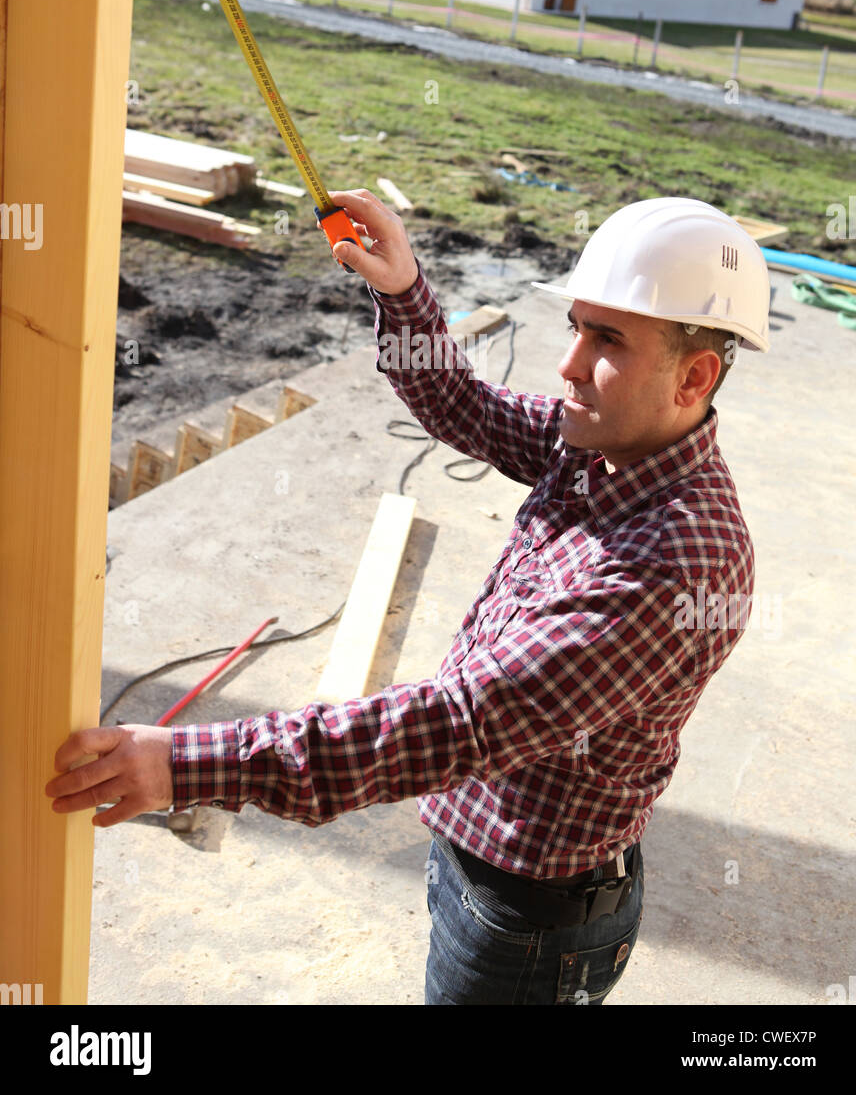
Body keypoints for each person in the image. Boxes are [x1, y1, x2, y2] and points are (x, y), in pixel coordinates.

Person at [45, 191, 770, 1006]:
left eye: (607, 340)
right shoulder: (605, 446)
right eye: (575, 326)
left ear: (695, 375)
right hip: (485, 865)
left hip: (529, 926)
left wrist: (189, 765)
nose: (567, 363)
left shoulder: (675, 563)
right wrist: (403, 293)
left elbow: (455, 725)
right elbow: (465, 405)